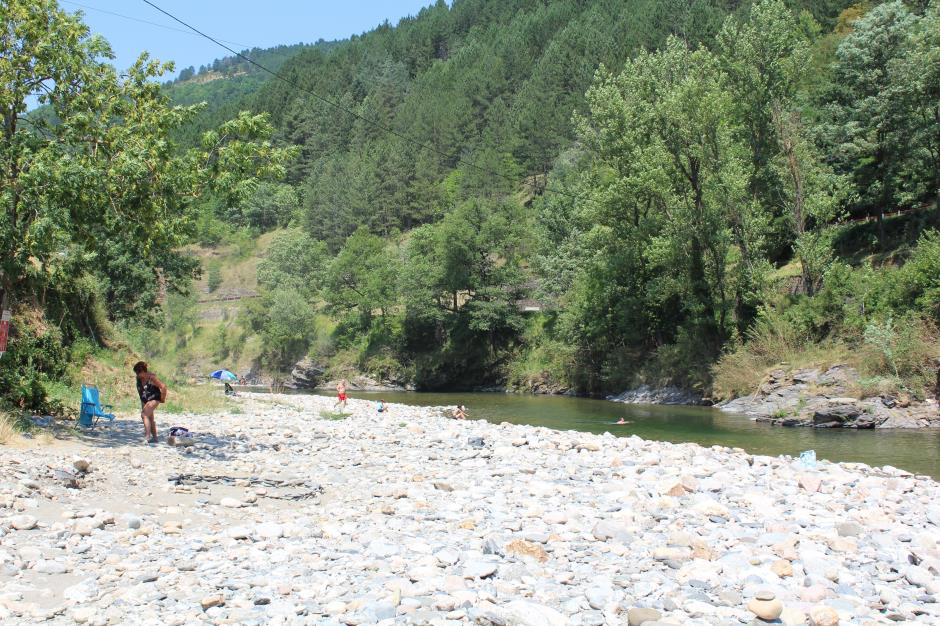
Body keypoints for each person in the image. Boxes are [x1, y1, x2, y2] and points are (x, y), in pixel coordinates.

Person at [133, 361, 167, 444]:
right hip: (145, 400)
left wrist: (162, 399)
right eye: (136, 373)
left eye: (138, 373)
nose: (137, 375)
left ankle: (147, 437)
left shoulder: (152, 378)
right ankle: (155, 438)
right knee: (150, 418)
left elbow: (163, 387)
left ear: (143, 371)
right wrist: (143, 402)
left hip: (154, 398)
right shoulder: (139, 378)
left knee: (144, 415)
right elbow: (140, 391)